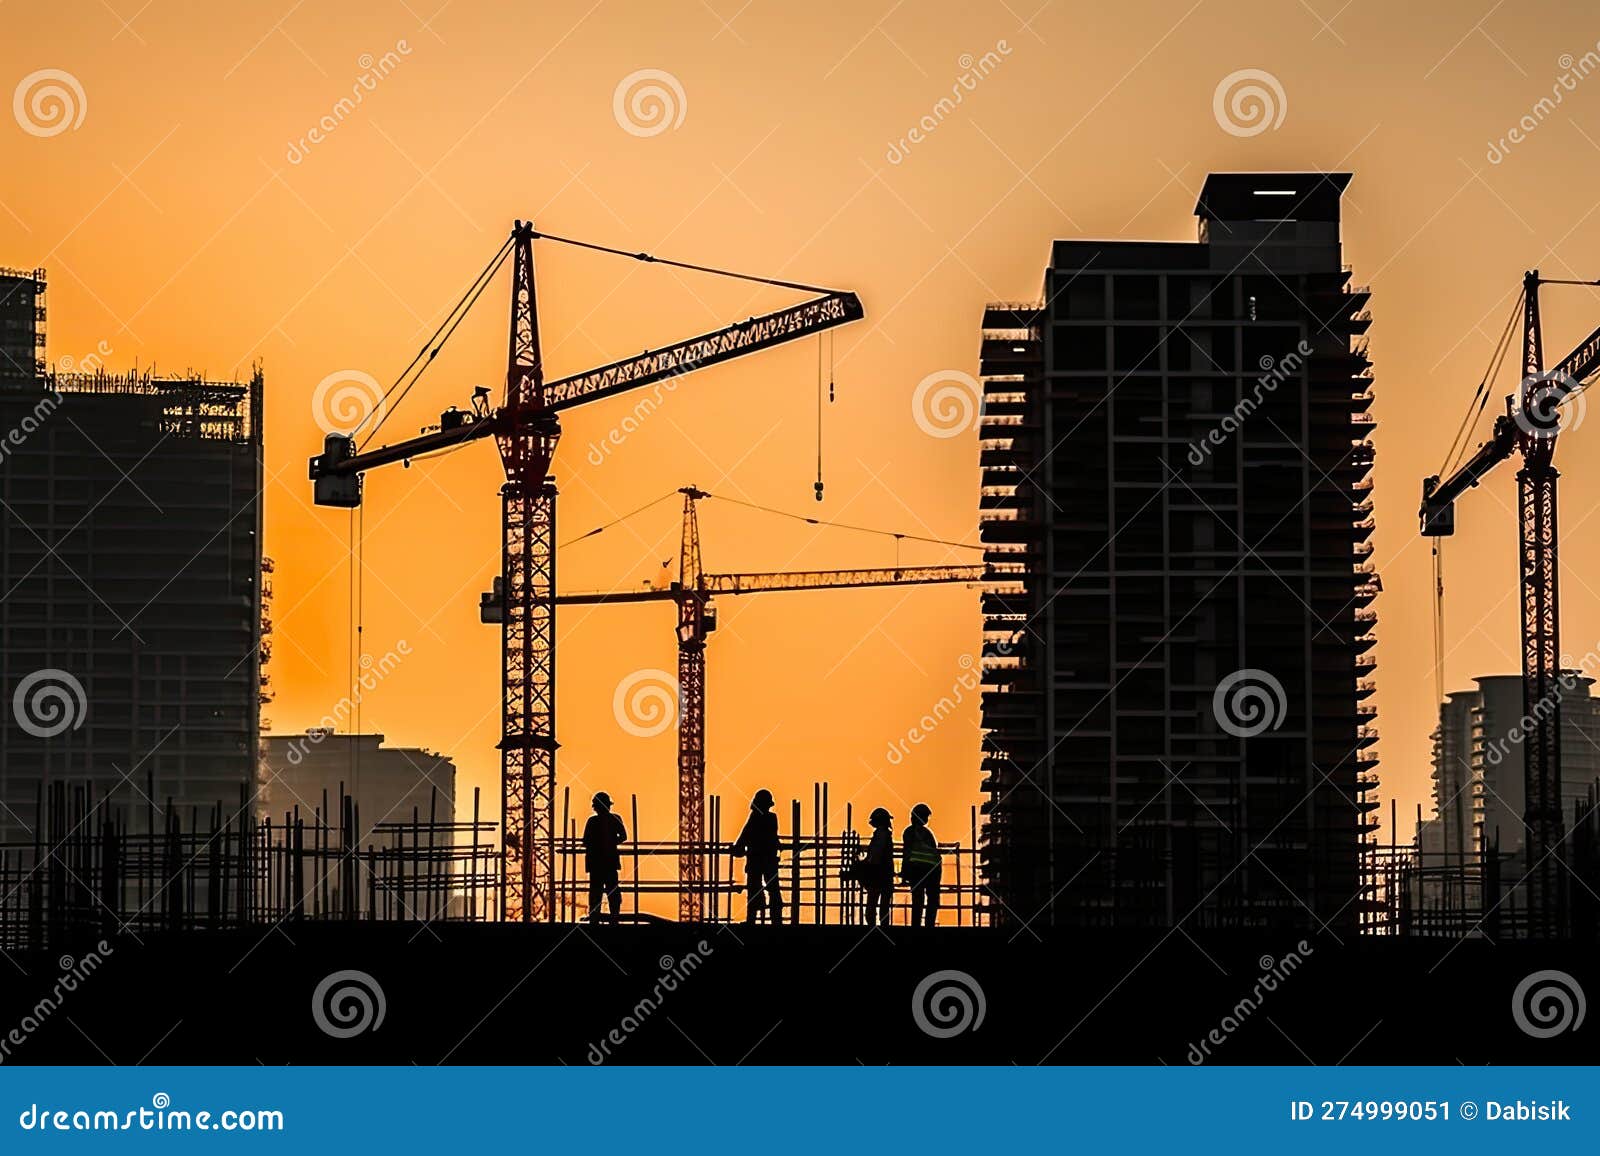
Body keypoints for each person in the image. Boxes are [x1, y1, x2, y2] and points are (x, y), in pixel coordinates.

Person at [732, 788, 783, 924]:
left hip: (756, 862)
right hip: (769, 862)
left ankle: (753, 922)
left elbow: (742, 840)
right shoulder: (771, 819)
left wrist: (737, 849)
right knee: (773, 890)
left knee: (755, 891)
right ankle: (776, 921)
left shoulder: (755, 819)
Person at [583, 791, 627, 923]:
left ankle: (596, 918)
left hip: (597, 863)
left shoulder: (593, 821)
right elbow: (623, 836)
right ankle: (613, 917)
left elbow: (585, 841)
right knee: (611, 891)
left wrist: (599, 844)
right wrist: (611, 843)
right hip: (609, 862)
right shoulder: (614, 819)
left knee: (597, 892)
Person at [901, 802, 942, 927]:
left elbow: (907, 852)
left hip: (917, 870)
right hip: (932, 870)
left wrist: (904, 872)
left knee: (918, 900)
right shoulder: (927, 833)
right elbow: (934, 852)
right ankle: (929, 925)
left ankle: (917, 926)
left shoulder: (909, 832)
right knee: (932, 900)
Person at [861, 807, 895, 927]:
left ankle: (873, 929)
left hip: (878, 875)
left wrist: (865, 864)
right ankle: (883, 928)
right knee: (884, 906)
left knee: (872, 905)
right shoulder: (885, 835)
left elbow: (876, 855)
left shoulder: (881, 835)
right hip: (885, 874)